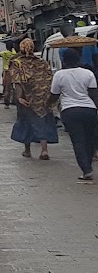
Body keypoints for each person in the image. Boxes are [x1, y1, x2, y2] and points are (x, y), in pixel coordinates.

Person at [51, 47, 98, 182]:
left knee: (78, 141)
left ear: (64, 61)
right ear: (78, 59)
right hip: (89, 110)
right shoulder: (88, 73)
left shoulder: (59, 75)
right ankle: (88, 164)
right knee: (90, 140)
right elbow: (94, 94)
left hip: (70, 111)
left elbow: (54, 95)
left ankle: (86, 170)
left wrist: (47, 104)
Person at [7, 38, 58, 161]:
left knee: (26, 123)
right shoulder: (42, 62)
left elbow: (17, 82)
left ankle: (27, 150)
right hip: (42, 98)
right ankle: (44, 150)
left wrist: (19, 97)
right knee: (43, 121)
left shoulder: (17, 63)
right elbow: (49, 79)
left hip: (26, 98)